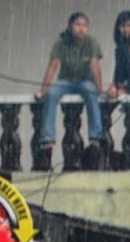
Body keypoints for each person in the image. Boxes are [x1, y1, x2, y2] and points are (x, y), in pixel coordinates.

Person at [37, 12, 105, 156]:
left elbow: (95, 66)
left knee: (91, 92)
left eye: (84, 25)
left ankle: (95, 138)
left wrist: (99, 87)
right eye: (78, 25)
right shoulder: (61, 42)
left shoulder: (91, 42)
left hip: (85, 81)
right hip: (66, 81)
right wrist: (43, 89)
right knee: (51, 93)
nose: (81, 28)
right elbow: (52, 66)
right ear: (70, 26)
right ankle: (48, 139)